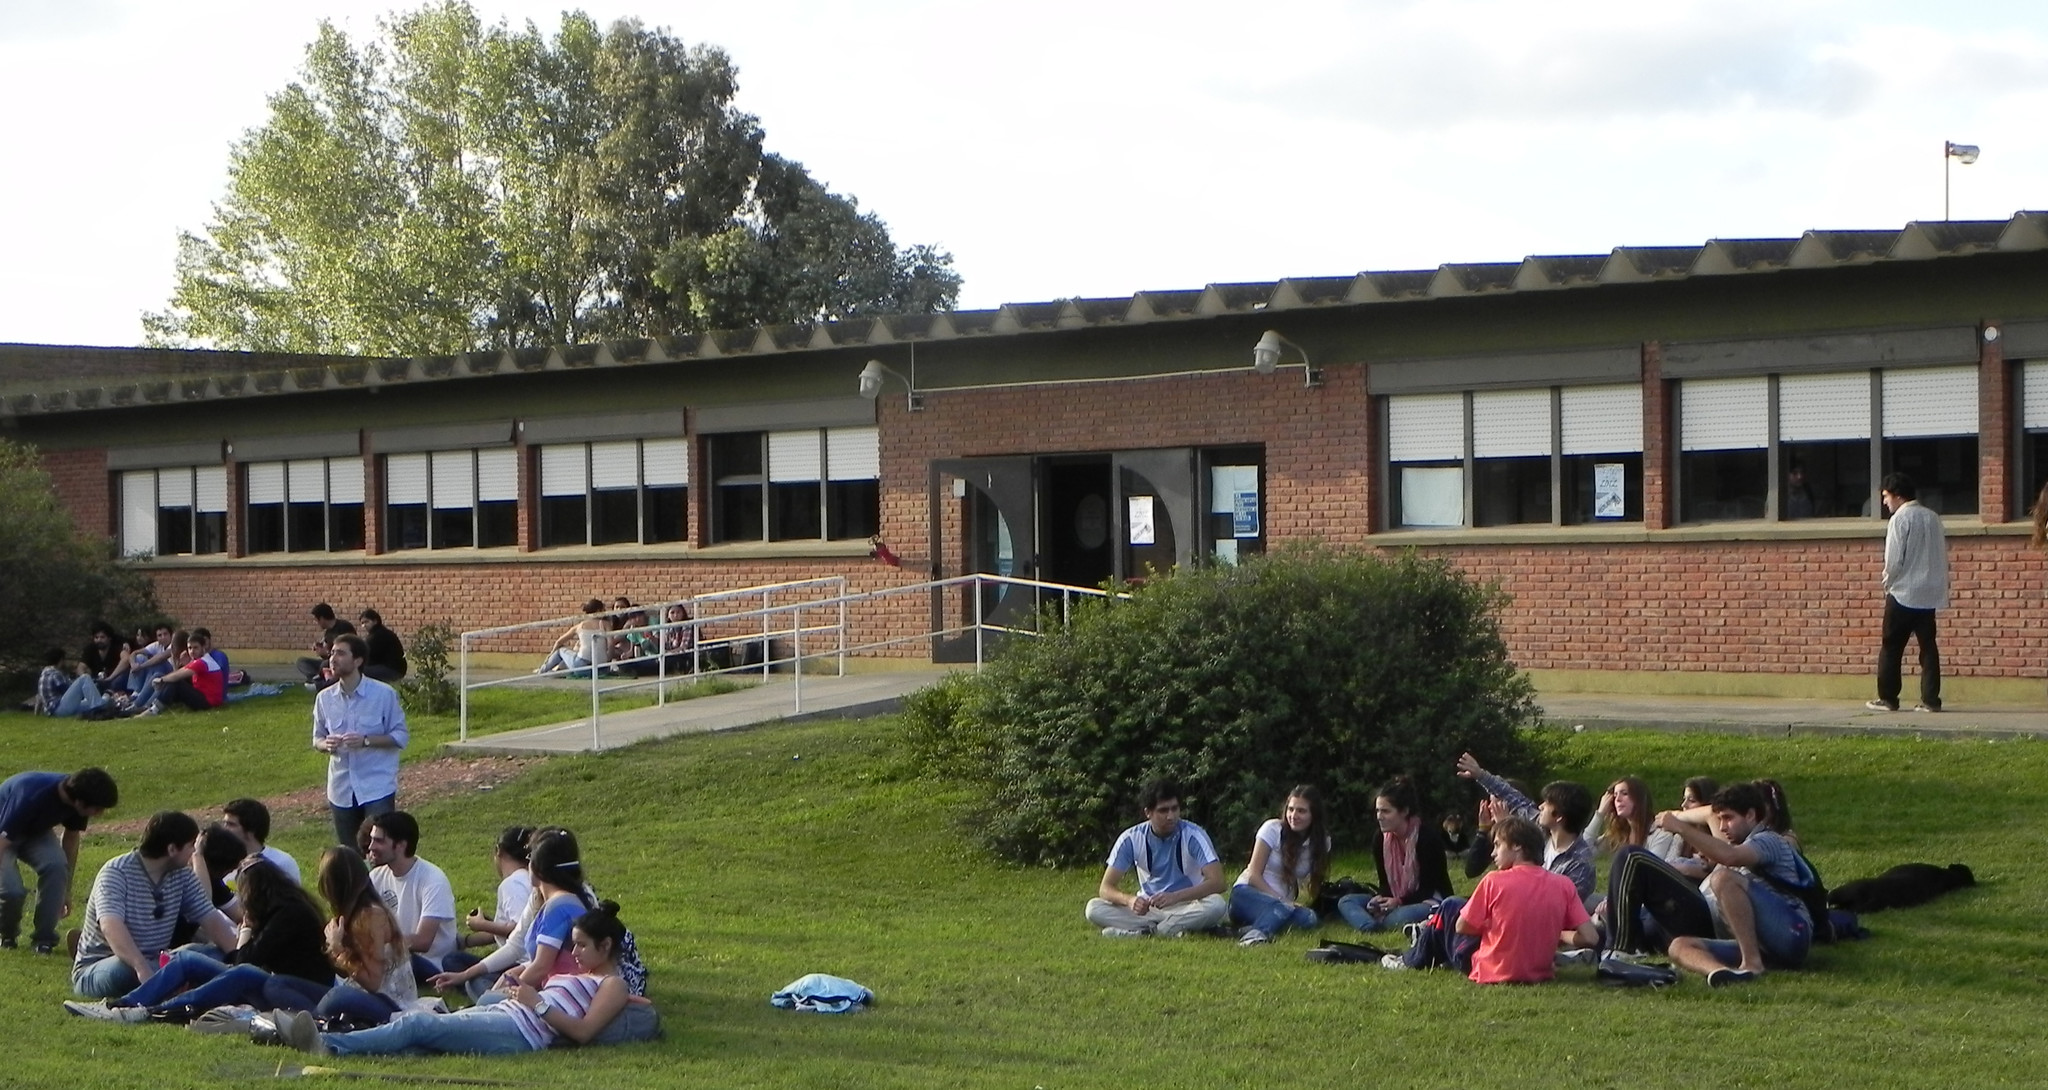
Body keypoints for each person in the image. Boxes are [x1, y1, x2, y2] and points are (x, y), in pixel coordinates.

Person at [274, 902, 645, 1057]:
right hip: (508, 1015)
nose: (574, 952)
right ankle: (302, 1036)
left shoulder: (613, 985)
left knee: (418, 1025)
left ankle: (328, 1045)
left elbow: (583, 1033)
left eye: (581, 945)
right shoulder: (582, 974)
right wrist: (516, 992)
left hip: (520, 1032)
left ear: (606, 946)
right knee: (418, 1034)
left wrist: (537, 1002)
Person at [63, 859, 336, 1023]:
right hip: (272, 979)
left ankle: (157, 1010)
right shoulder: (281, 910)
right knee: (187, 958)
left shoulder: (289, 915)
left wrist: (246, 930)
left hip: (294, 988)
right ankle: (124, 1004)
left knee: (241, 973)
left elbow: (245, 960)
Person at [1388, 816, 1597, 982]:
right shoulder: (1563, 884)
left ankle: (1410, 960)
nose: (1493, 853)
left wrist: (1494, 925)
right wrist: (1557, 933)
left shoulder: (1494, 881)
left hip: (1491, 970)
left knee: (1450, 906)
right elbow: (1590, 937)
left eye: (1497, 845)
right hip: (1539, 972)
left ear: (1517, 846)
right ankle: (1427, 946)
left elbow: (1462, 926)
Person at [1656, 782, 1816, 987]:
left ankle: (1752, 964)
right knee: (1678, 946)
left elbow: (1730, 857)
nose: (1722, 827)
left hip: (1792, 932)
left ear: (1750, 815)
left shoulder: (1768, 840)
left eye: (1728, 818)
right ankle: (1720, 972)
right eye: (1720, 819)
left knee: (1723, 879)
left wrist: (1680, 826)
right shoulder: (1737, 845)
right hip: (1760, 943)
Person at [71, 810, 240, 998]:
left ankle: (178, 978)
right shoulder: (116, 872)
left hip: (158, 961)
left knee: (212, 955)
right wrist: (142, 968)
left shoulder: (182, 875)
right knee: (126, 970)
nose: (194, 852)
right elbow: (111, 926)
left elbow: (210, 918)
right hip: (109, 965)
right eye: (191, 845)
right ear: (172, 849)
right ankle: (179, 978)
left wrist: (239, 959)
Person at [1084, 780, 1228, 937]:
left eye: (1175, 809)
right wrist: (1130, 901)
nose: (1171, 816)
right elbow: (1106, 888)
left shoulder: (1194, 835)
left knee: (1217, 904)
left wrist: (1175, 897)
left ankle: (1147, 932)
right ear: (1148, 812)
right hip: (1149, 909)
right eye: (1163, 811)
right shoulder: (1131, 838)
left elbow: (1218, 882)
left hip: (1187, 905)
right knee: (1094, 908)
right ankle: (1170, 928)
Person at [0, 768, 118, 954]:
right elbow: (3, 841)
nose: (99, 814)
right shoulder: (31, 796)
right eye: (97, 809)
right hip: (2, 835)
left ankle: (44, 939)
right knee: (12, 890)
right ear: (79, 802)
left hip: (34, 831)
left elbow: (71, 839)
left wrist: (66, 890)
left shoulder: (78, 797)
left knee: (56, 866)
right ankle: (7, 935)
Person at [1456, 752, 1595, 901]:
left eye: (1547, 804)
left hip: (1530, 911)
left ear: (1559, 816)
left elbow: (1559, 906)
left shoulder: (1580, 864)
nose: (1540, 807)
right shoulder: (1540, 829)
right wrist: (1480, 774)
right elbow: (1512, 797)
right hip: (1513, 903)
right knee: (1453, 903)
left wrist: (1508, 832)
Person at [313, 634, 409, 849]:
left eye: (340, 653)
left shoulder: (383, 695)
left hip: (376, 787)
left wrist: (366, 741)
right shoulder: (324, 699)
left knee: (381, 851)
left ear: (357, 661)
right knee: (350, 856)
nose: (333, 658)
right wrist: (326, 744)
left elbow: (400, 736)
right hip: (341, 789)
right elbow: (317, 738)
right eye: (332, 653)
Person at [1868, 472, 1947, 713]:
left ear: (1898, 495)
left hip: (1903, 592)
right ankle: (1931, 699)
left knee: (1891, 646)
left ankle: (1888, 698)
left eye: (1886, 496)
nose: (1885, 502)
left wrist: (1887, 582)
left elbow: (1893, 560)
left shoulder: (1899, 519)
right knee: (1928, 647)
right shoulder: (1933, 518)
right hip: (1929, 593)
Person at [313, 846, 417, 1025]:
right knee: (280, 985)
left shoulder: (370, 916)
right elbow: (347, 973)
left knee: (337, 995)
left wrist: (338, 950)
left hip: (391, 1005)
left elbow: (374, 983)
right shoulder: (351, 913)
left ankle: (309, 1023)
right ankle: (303, 1018)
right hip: (359, 993)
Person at [1337, 776, 1454, 933]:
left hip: (1429, 900)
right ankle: (1370, 926)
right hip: (1396, 899)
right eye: (1377, 811)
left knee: (1396, 918)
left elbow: (1427, 889)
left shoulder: (1427, 838)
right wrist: (1381, 899)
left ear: (1404, 811)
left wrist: (1399, 901)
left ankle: (1376, 922)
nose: (1379, 816)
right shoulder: (1380, 839)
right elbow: (1385, 883)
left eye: (1385, 811)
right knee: (1346, 901)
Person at [364, 811, 459, 984]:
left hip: (429, 963)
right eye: (371, 839)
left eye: (379, 841)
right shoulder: (376, 877)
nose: (371, 847)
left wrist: (377, 943)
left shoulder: (433, 879)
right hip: (396, 953)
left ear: (401, 845)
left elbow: (423, 941)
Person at [1229, 785, 1330, 945]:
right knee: (1281, 908)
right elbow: (1253, 875)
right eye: (1291, 809)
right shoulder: (1272, 829)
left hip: (1284, 905)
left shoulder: (1322, 842)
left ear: (1314, 814)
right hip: (1247, 894)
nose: (1294, 816)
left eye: (1301, 811)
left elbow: (1314, 883)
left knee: (1309, 918)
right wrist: (1282, 900)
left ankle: (1244, 930)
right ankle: (1255, 937)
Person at [459, 825, 534, 953]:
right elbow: (506, 930)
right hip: (525, 958)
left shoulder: (513, 884)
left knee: (452, 960)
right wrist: (464, 941)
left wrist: (482, 924)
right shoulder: (530, 878)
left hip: (519, 961)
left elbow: (519, 929)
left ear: (499, 851)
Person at [144, 627, 227, 714]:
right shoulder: (200, 660)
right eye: (190, 648)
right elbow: (180, 671)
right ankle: (150, 706)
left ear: (203, 648)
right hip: (206, 698)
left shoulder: (202, 662)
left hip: (209, 702)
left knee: (176, 682)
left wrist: (162, 680)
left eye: (196, 648)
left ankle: (153, 709)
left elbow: (179, 675)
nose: (192, 651)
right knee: (171, 681)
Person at [222, 798, 301, 886]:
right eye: (224, 823)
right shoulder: (220, 863)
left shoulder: (281, 863)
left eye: (231, 825)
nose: (224, 829)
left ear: (251, 830)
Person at [534, 598, 610, 676]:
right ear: (598, 610)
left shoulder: (579, 626)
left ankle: (542, 670)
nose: (605, 612)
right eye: (603, 610)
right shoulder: (606, 624)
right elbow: (610, 645)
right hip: (601, 669)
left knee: (560, 651)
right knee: (573, 655)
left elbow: (559, 642)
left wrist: (549, 656)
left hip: (582, 667)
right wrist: (608, 662)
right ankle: (557, 670)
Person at [34, 647, 109, 719]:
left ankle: (103, 701)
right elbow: (67, 690)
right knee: (85, 678)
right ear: (61, 660)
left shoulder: (44, 673)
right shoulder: (55, 674)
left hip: (53, 710)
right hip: (59, 708)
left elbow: (39, 697)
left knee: (104, 701)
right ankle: (98, 711)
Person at [297, 603, 358, 688]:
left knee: (325, 664)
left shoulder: (344, 627)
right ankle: (315, 678)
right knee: (302, 662)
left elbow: (348, 649)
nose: (317, 623)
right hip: (328, 661)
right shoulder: (327, 632)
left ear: (322, 619)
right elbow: (326, 652)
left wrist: (326, 654)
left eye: (317, 620)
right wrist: (320, 649)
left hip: (341, 661)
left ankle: (320, 681)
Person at [356, 608, 408, 683]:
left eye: (366, 622)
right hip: (394, 669)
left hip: (392, 670)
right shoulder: (378, 633)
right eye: (362, 623)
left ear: (375, 621)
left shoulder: (379, 635)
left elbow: (367, 655)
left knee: (357, 671)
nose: (364, 626)